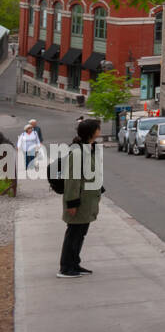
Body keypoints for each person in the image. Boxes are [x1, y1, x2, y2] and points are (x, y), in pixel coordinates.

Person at [58, 117, 104, 279]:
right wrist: (72, 203)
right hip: (79, 201)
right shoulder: (77, 152)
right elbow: (72, 180)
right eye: (98, 128)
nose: (100, 129)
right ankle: (66, 267)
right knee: (74, 233)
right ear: (92, 132)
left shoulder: (88, 148)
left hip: (88, 201)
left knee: (80, 233)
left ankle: (74, 263)